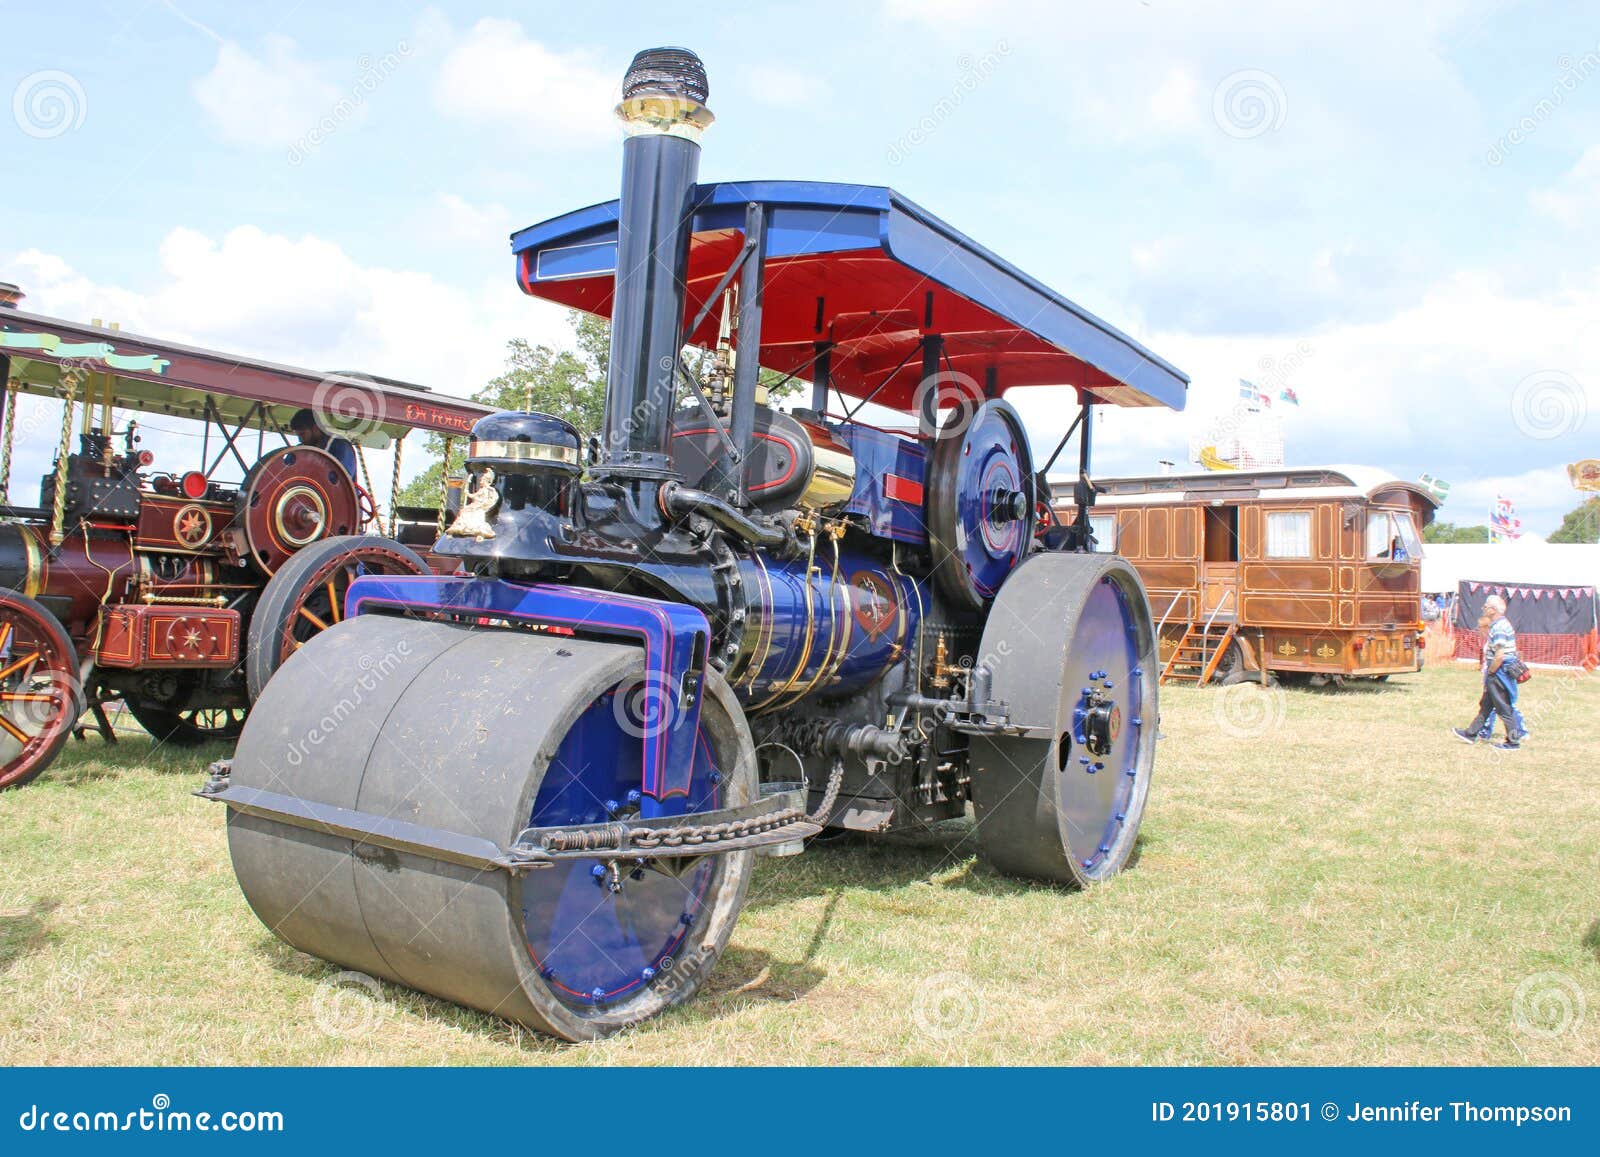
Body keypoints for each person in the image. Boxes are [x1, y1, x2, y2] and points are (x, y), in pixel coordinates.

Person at [1452, 594, 1527, 750]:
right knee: (1486, 705)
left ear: (1493, 609)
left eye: (1485, 607)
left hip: (1499, 672)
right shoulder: (1501, 624)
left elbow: (1500, 655)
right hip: (1500, 671)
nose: (1483, 609)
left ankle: (1513, 741)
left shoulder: (1499, 627)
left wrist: (1491, 672)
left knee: (1504, 708)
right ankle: (1470, 734)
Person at [288, 408, 357, 477]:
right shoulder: (299, 450)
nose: (300, 439)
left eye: (302, 434)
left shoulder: (341, 446)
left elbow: (340, 479)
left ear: (315, 428)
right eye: (298, 435)